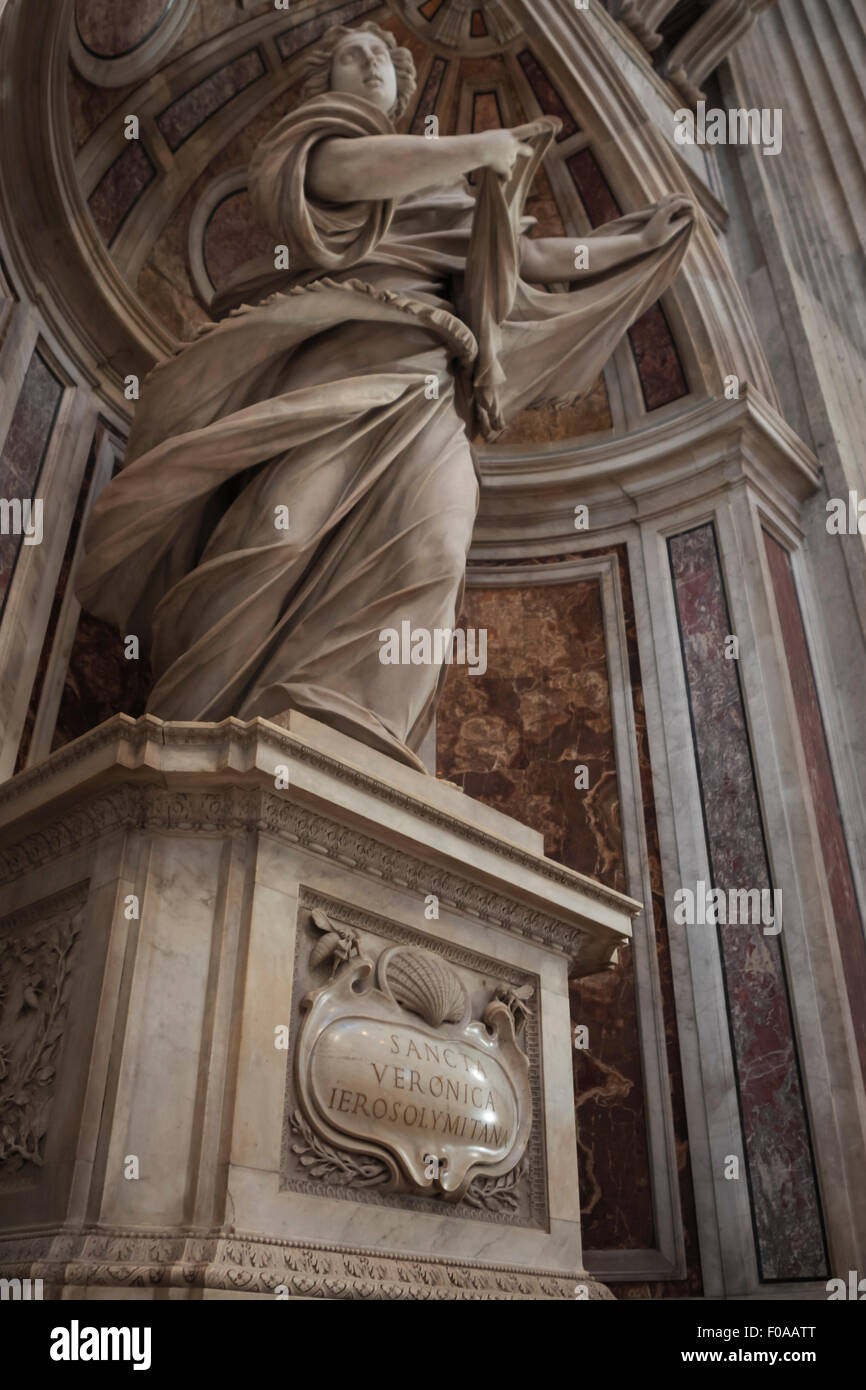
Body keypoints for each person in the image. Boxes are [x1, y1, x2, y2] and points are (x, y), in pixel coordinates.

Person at [76, 21, 694, 772]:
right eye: (351, 55)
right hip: (336, 373)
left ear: (403, 84)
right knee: (278, 539)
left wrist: (636, 242)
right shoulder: (309, 150)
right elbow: (345, 176)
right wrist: (484, 149)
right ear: (324, 81)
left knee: (433, 549)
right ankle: (196, 744)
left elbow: (526, 260)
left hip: (431, 390)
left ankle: (355, 743)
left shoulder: (447, 185)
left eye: (381, 58)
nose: (369, 64)